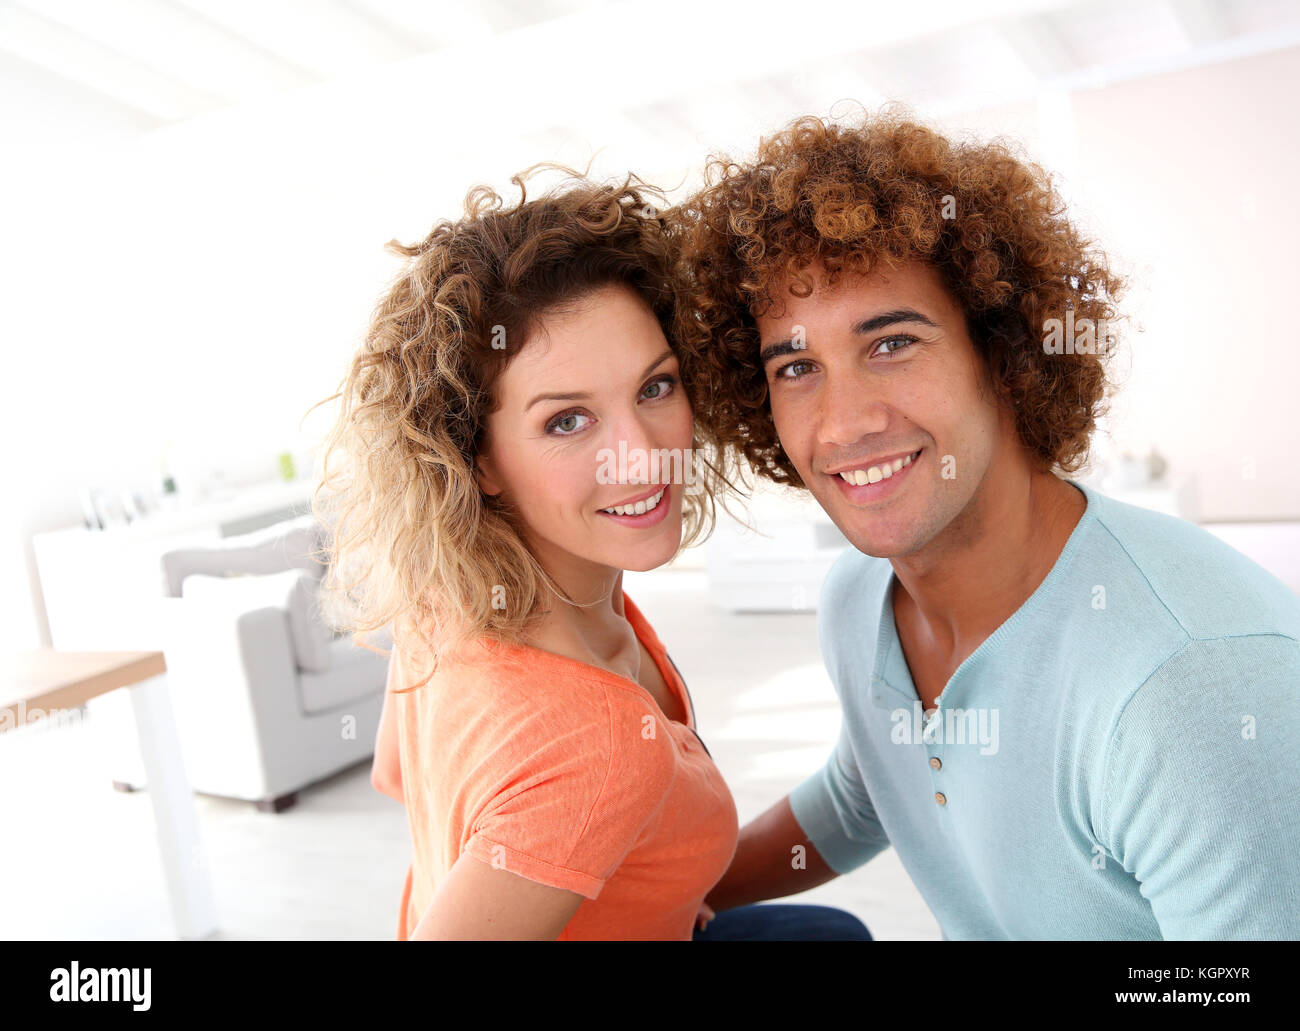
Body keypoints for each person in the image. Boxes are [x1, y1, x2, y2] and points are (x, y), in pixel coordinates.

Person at [669, 109, 1300, 939]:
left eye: (891, 342)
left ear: (1003, 352)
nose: (845, 422)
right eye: (796, 365)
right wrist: (654, 900)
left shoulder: (1187, 692)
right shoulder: (859, 600)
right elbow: (870, 790)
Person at [310, 165, 872, 941]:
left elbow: (402, 772)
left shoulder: (451, 596)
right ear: (475, 457)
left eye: (655, 387)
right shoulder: (595, 747)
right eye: (566, 421)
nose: (640, 458)